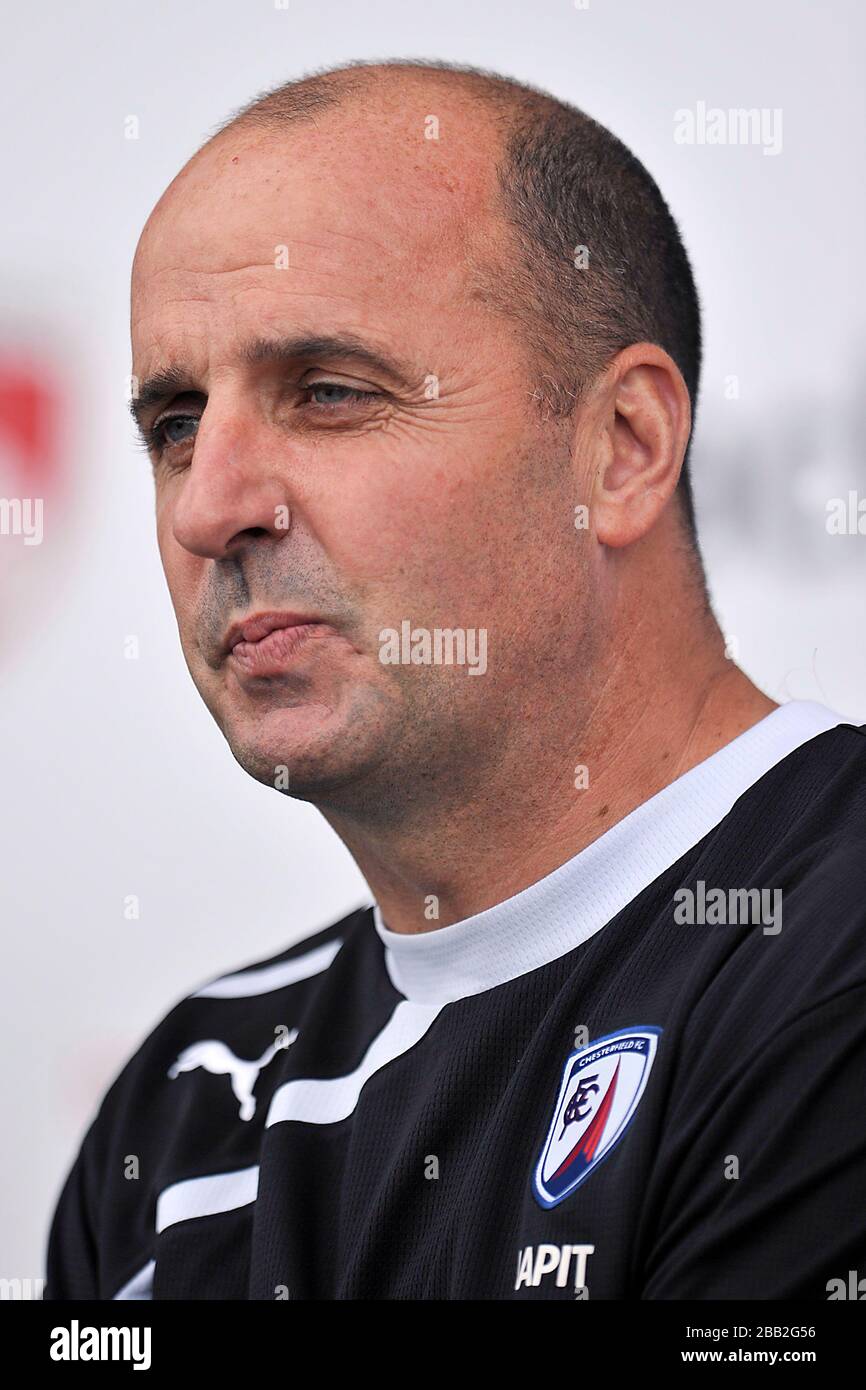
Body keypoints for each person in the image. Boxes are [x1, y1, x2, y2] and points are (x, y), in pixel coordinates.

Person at [45, 59, 866, 1300]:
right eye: (173, 424)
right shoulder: (180, 1109)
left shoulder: (828, 956)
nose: (209, 505)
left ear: (623, 447)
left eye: (327, 393)